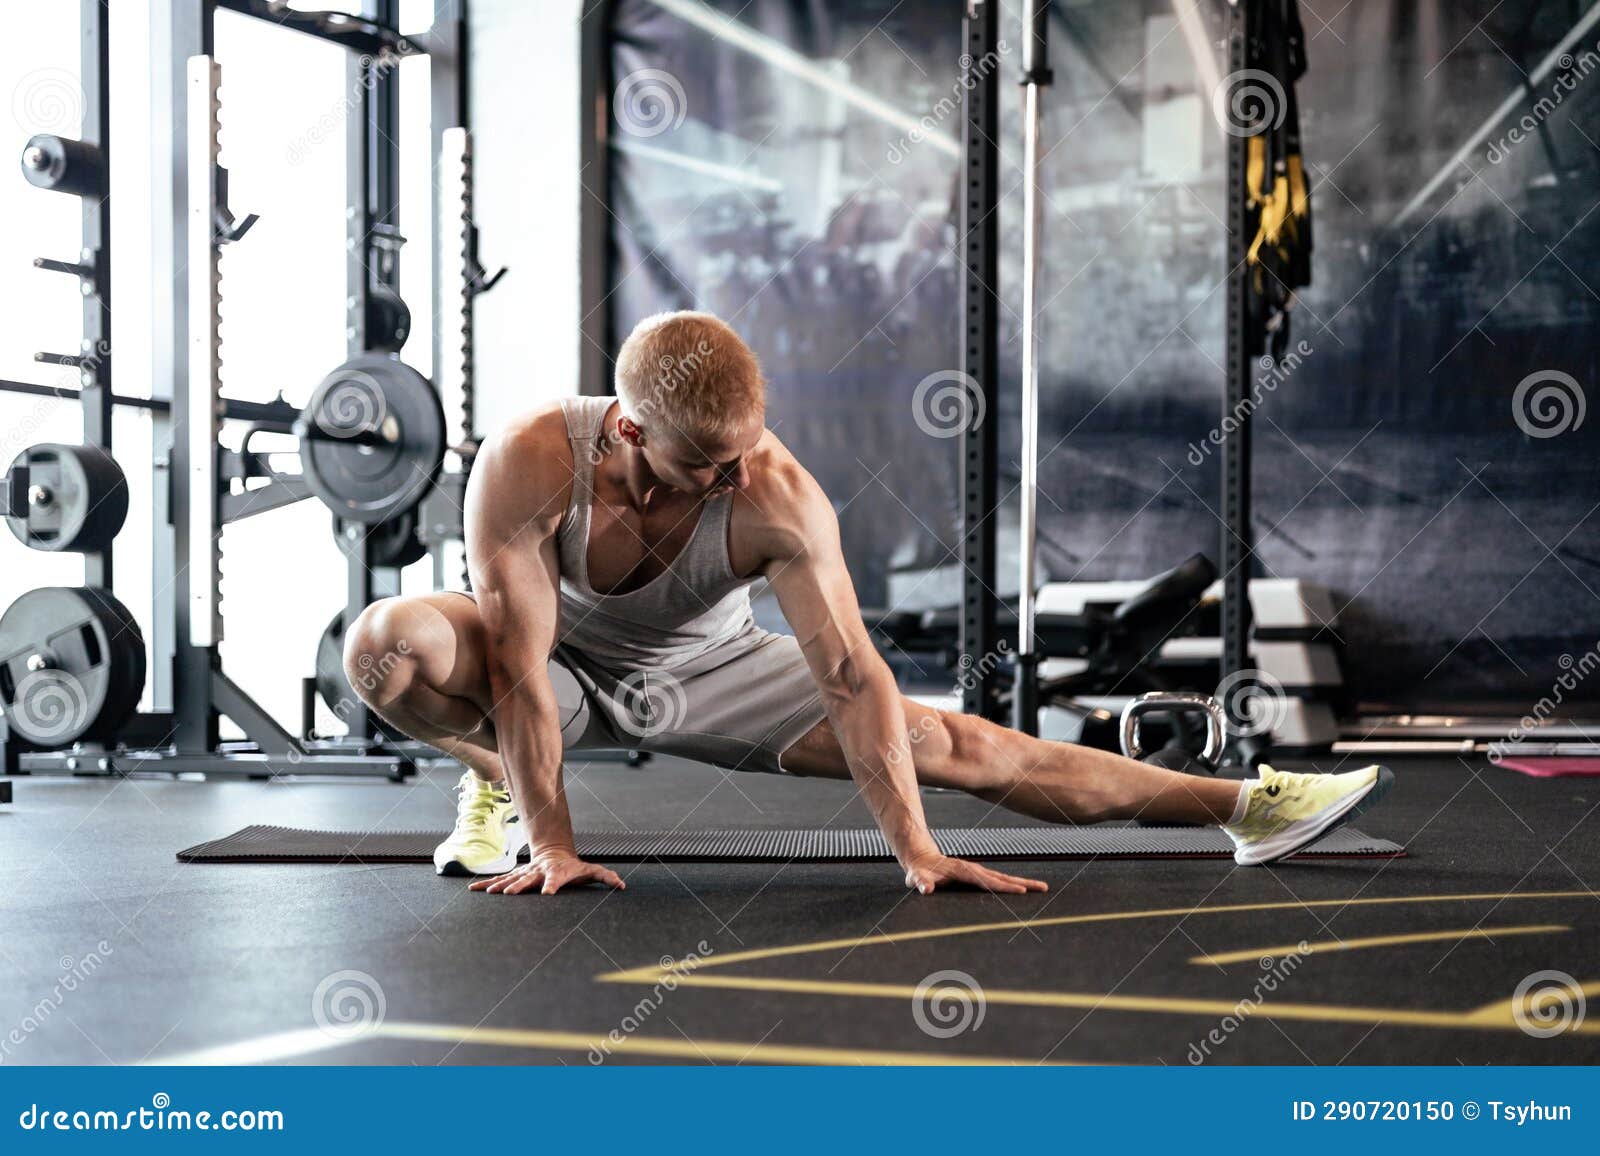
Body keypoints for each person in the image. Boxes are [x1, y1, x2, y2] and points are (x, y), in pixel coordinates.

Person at [344, 311, 1392, 896]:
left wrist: (914, 847)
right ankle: (494, 789)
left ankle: (1247, 806)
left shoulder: (777, 497)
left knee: (958, 743)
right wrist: (558, 845)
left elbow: (851, 675)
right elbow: (524, 670)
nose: (732, 480)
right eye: (707, 465)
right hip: (558, 665)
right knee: (387, 648)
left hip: (706, 672)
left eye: (742, 454)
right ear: (625, 432)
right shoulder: (526, 462)